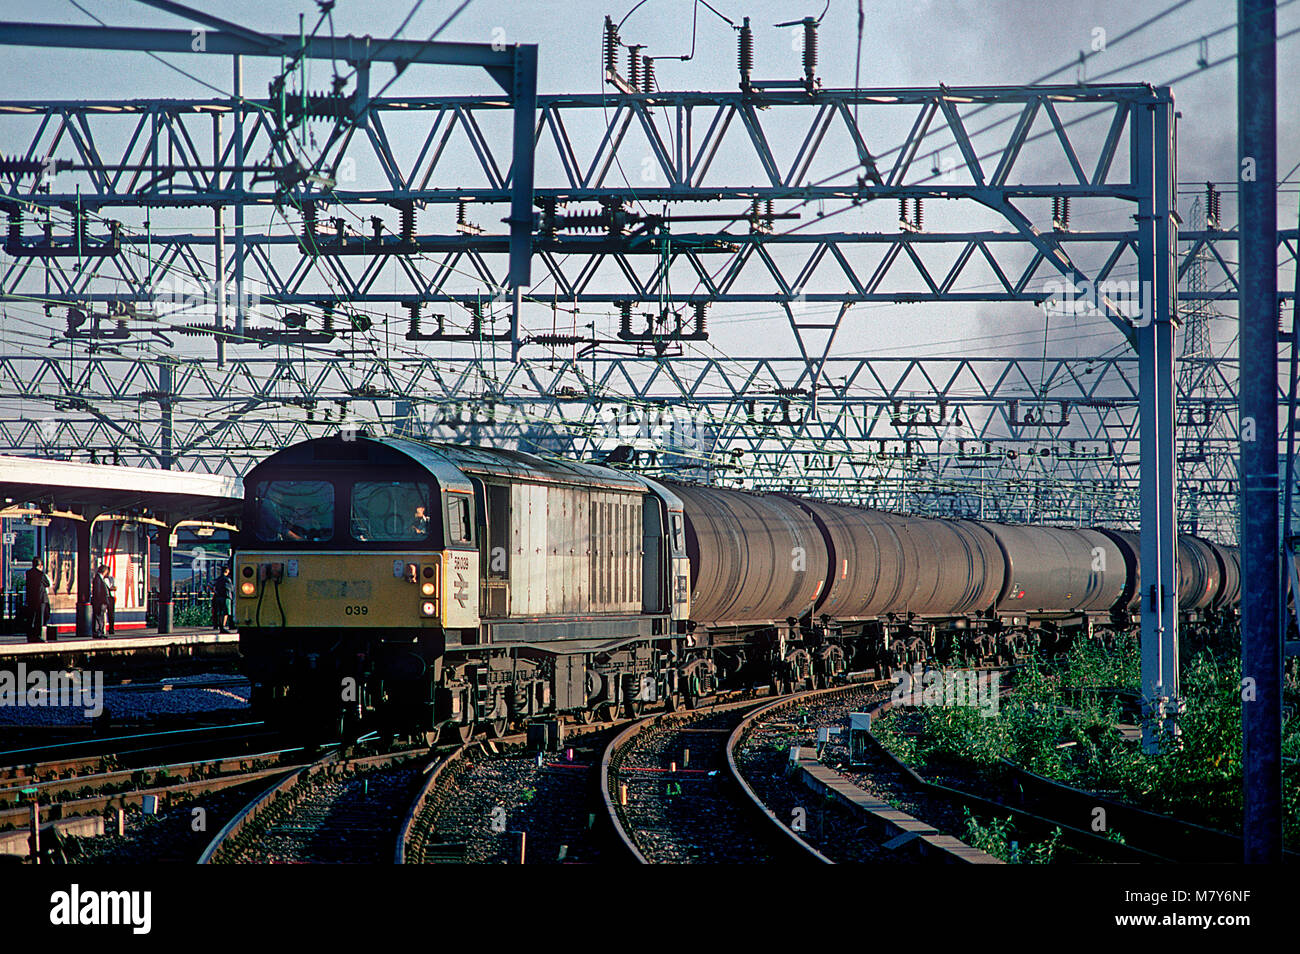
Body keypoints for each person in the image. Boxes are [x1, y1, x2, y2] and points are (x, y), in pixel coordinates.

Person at [24, 558, 51, 644]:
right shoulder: (41, 574)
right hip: (41, 599)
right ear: (40, 565)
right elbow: (47, 584)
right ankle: (38, 636)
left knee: (31, 618)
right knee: (40, 618)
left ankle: (30, 636)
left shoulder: (28, 573)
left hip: (31, 599)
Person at [212, 565, 234, 634]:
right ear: (227, 571)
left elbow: (211, 586)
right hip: (226, 597)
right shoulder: (227, 579)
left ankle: (221, 626)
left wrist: (216, 592)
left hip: (218, 597)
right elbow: (231, 589)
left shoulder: (218, 579)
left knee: (220, 612)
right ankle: (223, 627)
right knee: (226, 613)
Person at [91, 565, 111, 639]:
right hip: (99, 602)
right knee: (99, 617)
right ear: (104, 571)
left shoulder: (99, 578)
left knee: (100, 617)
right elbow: (98, 591)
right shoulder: (98, 579)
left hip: (100, 602)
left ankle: (100, 631)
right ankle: (98, 632)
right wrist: (102, 601)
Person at [104, 566, 117, 636]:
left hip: (111, 597)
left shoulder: (111, 578)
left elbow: (114, 587)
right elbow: (110, 588)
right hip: (106, 597)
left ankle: (111, 628)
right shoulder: (103, 579)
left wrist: (112, 588)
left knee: (111, 614)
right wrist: (111, 588)